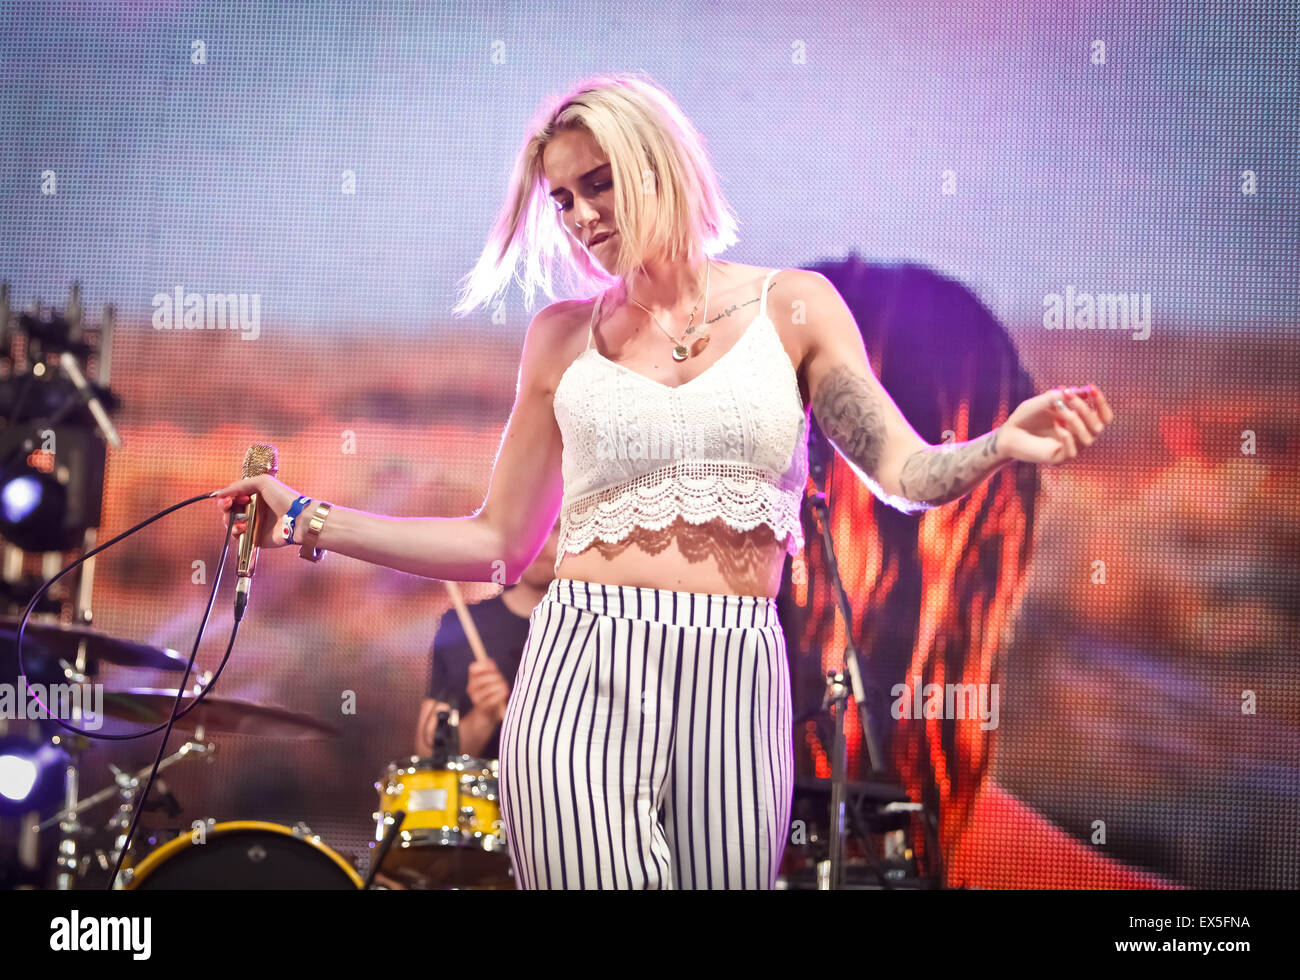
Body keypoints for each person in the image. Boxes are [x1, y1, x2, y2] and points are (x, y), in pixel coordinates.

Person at [214, 71, 1113, 890]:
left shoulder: (793, 307)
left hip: (734, 675)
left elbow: (906, 475)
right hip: (580, 672)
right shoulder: (560, 338)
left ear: (660, 164)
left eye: (597, 184)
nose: (580, 218)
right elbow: (496, 542)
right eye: (561, 201)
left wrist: (998, 444)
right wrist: (307, 518)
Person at [416, 525, 559, 760]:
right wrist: (484, 716)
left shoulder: (596, 627)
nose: (541, 540)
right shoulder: (462, 624)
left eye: (554, 529)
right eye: (533, 527)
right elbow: (429, 755)